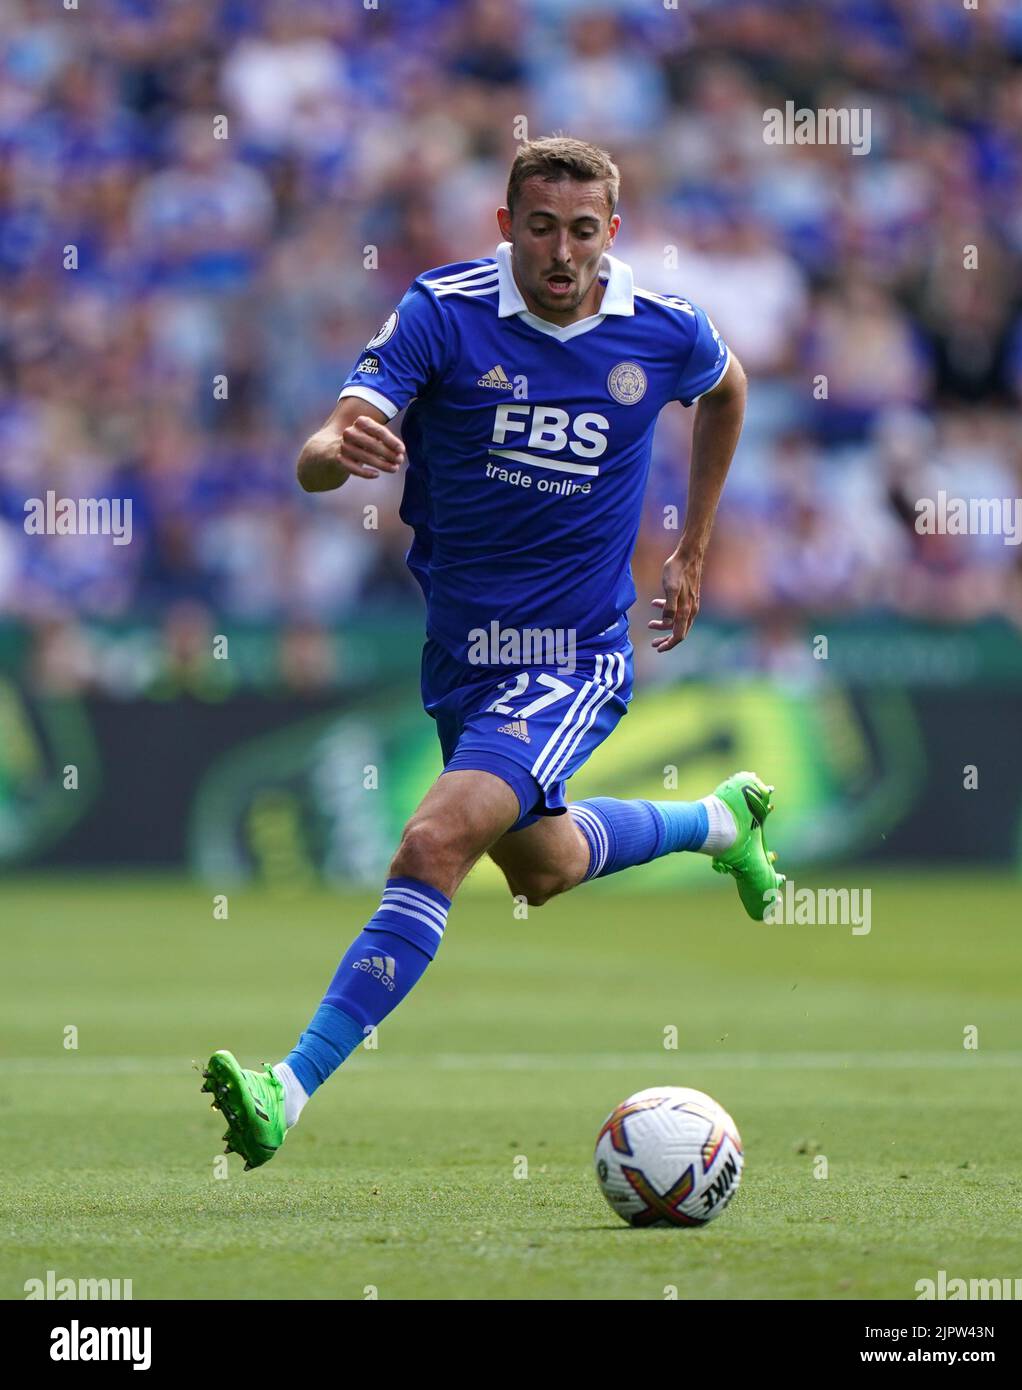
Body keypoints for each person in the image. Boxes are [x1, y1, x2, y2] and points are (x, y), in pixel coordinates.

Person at [201, 136, 782, 1170]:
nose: (563, 253)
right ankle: (714, 818)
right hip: (462, 649)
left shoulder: (661, 329)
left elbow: (728, 389)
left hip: (574, 650)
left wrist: (693, 546)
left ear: (614, 232)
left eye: (585, 230)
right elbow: (322, 447)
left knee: (430, 844)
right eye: (543, 228)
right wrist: (337, 453)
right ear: (505, 225)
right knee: (541, 869)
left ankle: (285, 1088)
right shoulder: (443, 310)